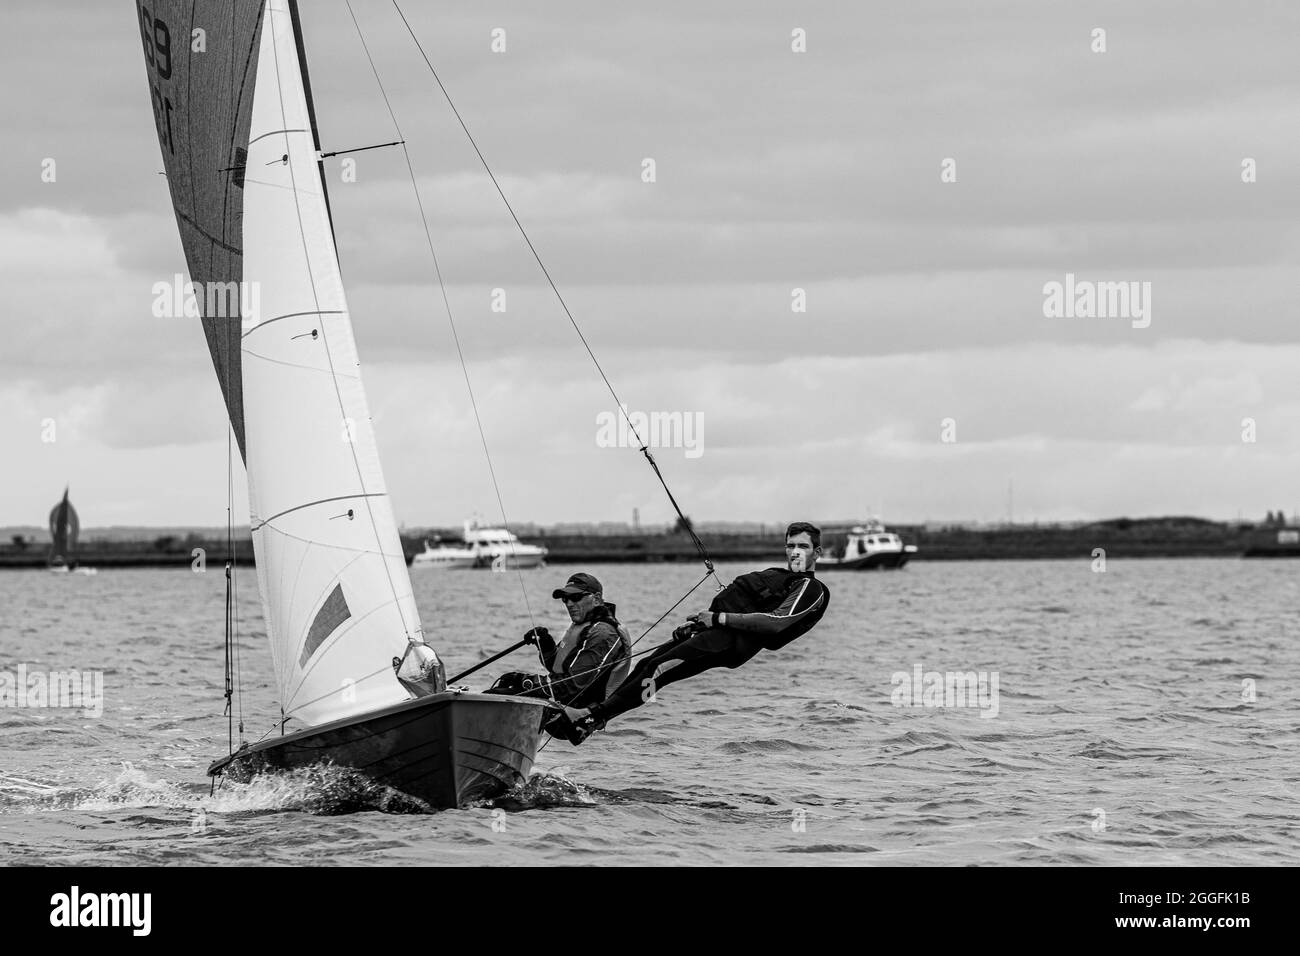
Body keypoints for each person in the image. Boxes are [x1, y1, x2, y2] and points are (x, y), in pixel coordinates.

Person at [562, 522, 830, 744]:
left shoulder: (811, 588)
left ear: (817, 552)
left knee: (658, 672)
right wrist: (699, 625)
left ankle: (590, 717)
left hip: (730, 643)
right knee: (647, 664)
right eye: (790, 545)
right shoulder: (781, 577)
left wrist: (717, 618)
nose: (795, 552)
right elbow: (749, 607)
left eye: (803, 546)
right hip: (716, 633)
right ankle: (591, 716)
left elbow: (776, 621)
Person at [486, 572, 632, 744]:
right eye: (565, 599)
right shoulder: (585, 624)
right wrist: (546, 645)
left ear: (597, 599)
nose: (569, 604)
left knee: (500, 695)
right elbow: (559, 669)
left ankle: (485, 748)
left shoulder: (602, 634)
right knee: (500, 691)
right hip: (560, 703)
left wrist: (527, 681)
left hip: (576, 716)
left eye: (576, 597)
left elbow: (572, 685)